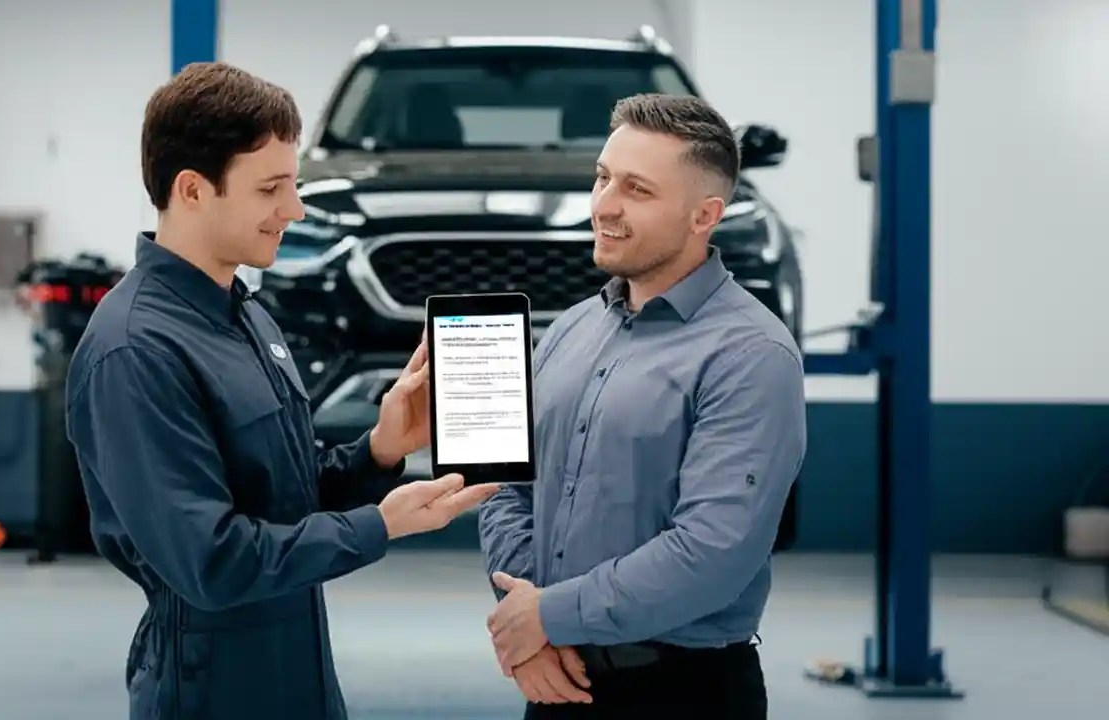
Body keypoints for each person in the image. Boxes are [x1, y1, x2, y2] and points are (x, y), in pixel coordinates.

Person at [65, 62, 499, 720]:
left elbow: (284, 495)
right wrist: (379, 524)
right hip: (211, 688)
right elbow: (211, 561)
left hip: (299, 670)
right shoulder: (135, 353)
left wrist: (378, 452)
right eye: (272, 189)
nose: (294, 210)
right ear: (192, 190)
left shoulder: (247, 313)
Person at [478, 93, 807, 719]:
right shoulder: (570, 331)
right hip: (559, 680)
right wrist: (531, 620)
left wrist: (547, 612)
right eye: (602, 177)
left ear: (703, 215)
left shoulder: (751, 354)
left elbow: (712, 553)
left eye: (637, 189)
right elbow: (509, 488)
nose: (604, 205)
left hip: (685, 693)